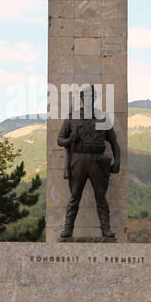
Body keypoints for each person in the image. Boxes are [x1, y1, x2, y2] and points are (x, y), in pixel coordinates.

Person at [56, 85, 120, 241]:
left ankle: (106, 230)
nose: (89, 98)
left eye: (92, 96)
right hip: (78, 159)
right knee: (74, 196)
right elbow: (59, 140)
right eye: (86, 96)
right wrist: (70, 140)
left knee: (101, 197)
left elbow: (113, 142)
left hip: (98, 160)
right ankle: (67, 229)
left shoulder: (102, 117)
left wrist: (118, 161)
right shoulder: (72, 117)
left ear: (95, 98)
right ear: (82, 98)